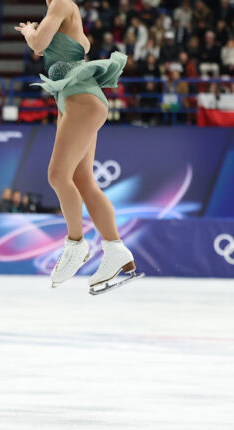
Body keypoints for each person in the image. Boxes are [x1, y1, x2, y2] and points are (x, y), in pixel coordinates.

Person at [15, 0, 141, 294]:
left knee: (58, 176)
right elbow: (49, 47)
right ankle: (115, 248)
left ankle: (76, 244)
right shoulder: (64, 11)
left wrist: (30, 33)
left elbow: (40, 42)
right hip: (76, 100)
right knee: (83, 180)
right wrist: (38, 38)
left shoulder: (61, 3)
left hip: (80, 98)